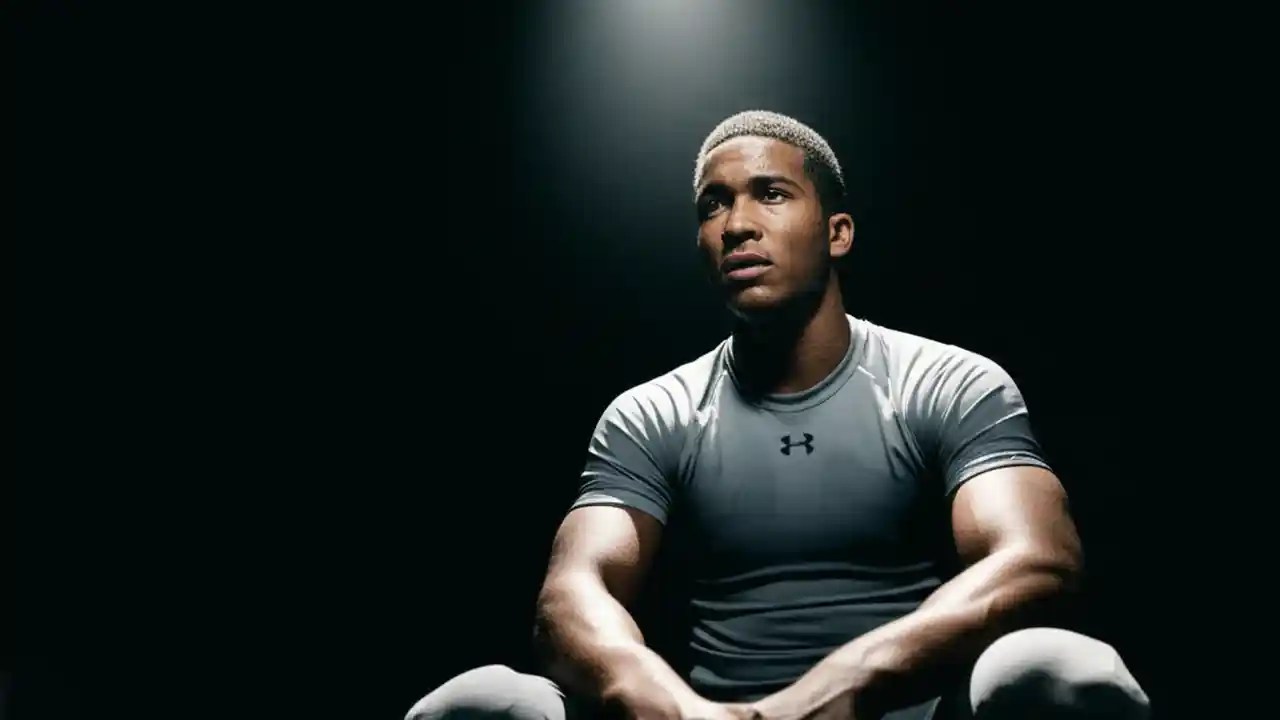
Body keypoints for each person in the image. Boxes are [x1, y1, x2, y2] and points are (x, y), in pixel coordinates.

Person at [405, 110, 1151, 720]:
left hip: (902, 712)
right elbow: (570, 597)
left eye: (770, 193)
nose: (736, 223)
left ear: (838, 233)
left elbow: (1039, 560)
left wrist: (843, 684)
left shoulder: (945, 380)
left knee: (1057, 667)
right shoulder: (653, 412)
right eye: (713, 203)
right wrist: (669, 707)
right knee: (481, 702)